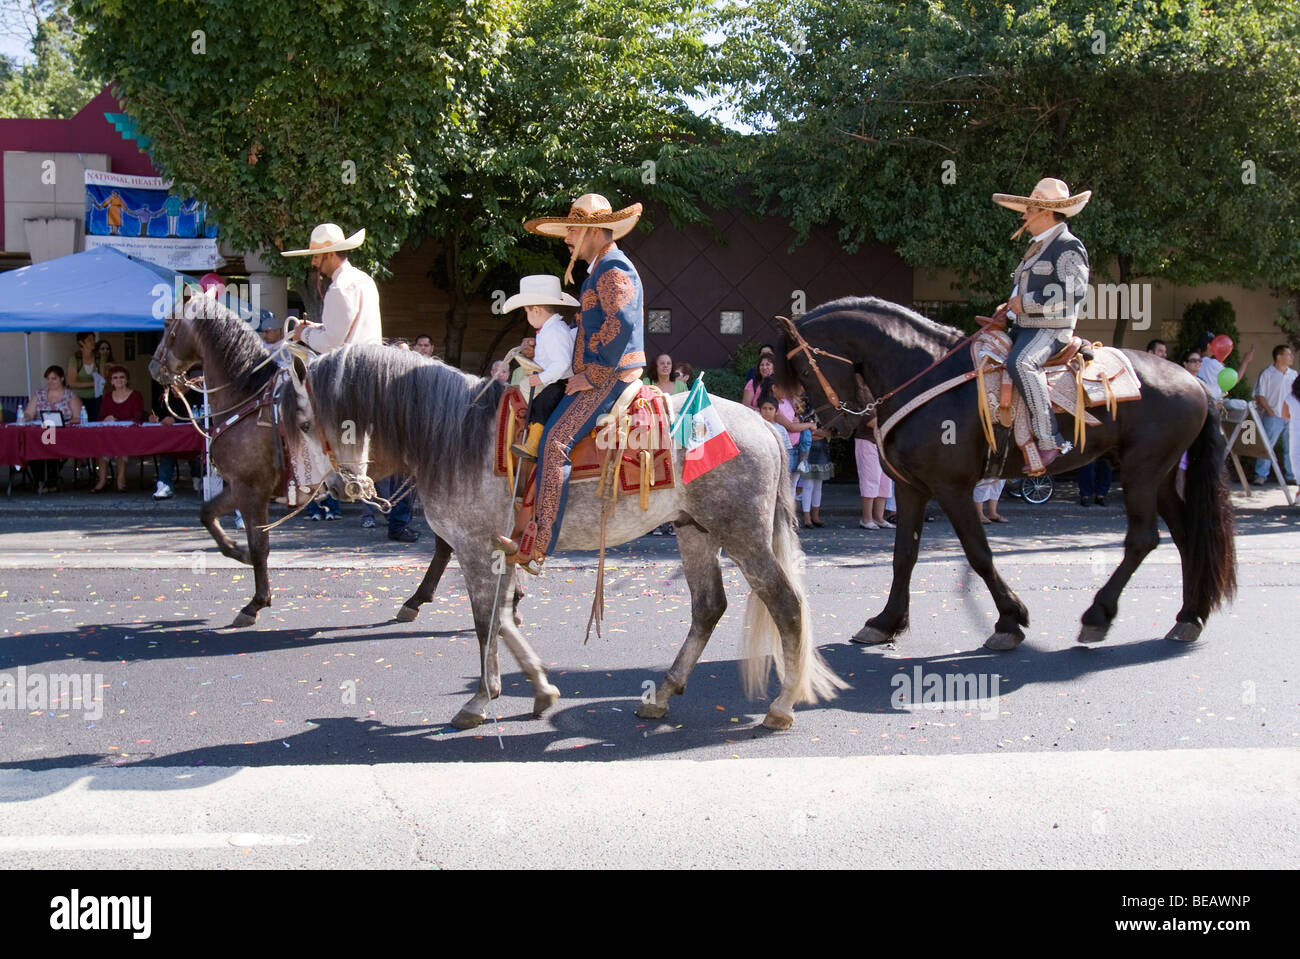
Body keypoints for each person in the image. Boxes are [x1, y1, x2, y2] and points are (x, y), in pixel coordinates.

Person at [497, 193, 646, 569]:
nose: (567, 238)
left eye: (573, 230)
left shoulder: (613, 269)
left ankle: (537, 545)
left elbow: (620, 324)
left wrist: (591, 374)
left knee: (555, 441)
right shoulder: (601, 268)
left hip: (609, 378)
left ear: (594, 232)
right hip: (600, 374)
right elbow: (599, 325)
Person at [993, 177, 1092, 471]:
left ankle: (1050, 440)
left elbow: (1075, 291)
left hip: (1051, 329)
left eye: (1029, 209)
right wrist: (1008, 308)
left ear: (1046, 213)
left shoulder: (1067, 245)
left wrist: (1027, 303)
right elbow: (1021, 292)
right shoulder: (1038, 247)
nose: (1023, 215)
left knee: (1022, 363)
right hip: (1024, 326)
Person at [503, 275, 579, 461]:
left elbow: (561, 364)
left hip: (556, 383)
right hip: (553, 380)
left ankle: (534, 444)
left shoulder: (553, 332)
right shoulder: (551, 330)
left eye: (527, 312)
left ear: (536, 310)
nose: (527, 317)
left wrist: (541, 378)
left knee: (541, 404)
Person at [282, 223, 383, 353]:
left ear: (331, 255)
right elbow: (351, 329)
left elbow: (330, 344)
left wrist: (303, 333)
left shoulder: (339, 288)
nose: (313, 262)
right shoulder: (365, 279)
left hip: (348, 368)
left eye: (316, 256)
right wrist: (317, 328)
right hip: (372, 364)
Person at [23, 366, 84, 492]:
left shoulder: (70, 396)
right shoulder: (39, 395)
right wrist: (25, 418)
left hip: (63, 433)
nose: (50, 381)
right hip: (41, 432)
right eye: (48, 379)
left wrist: (63, 422)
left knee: (53, 446)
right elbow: (29, 413)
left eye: (54, 378)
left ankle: (49, 480)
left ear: (62, 379)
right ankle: (42, 480)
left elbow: (78, 417)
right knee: (31, 446)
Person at [90, 366, 145, 493]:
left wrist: (117, 419)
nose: (119, 380)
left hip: (129, 434)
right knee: (101, 444)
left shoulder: (136, 395)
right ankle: (102, 480)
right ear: (111, 381)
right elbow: (100, 418)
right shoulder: (108, 397)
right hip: (110, 434)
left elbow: (138, 417)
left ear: (127, 380)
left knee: (120, 443)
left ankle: (121, 479)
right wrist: (106, 419)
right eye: (115, 378)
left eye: (122, 377)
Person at [1252, 344, 1297, 485]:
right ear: (1279, 356)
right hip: (1273, 417)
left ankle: (1292, 475)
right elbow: (1260, 395)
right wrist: (1270, 411)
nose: (1292, 357)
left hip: (1291, 418)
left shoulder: (1293, 374)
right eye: (1288, 354)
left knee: (1291, 448)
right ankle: (1260, 475)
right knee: (1267, 447)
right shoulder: (1267, 373)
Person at [1195, 330, 1254, 406]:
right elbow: (1235, 379)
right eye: (1215, 343)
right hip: (1210, 406)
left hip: (1199, 402)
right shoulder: (1212, 363)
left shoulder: (1195, 361)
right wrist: (1245, 361)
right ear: (1209, 346)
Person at [856, 427, 894, 530]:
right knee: (870, 479)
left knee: (884, 481)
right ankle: (866, 519)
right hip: (867, 441)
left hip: (882, 442)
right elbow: (870, 421)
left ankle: (878, 518)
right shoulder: (867, 410)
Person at [66, 331, 101, 421]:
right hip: (78, 398)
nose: (93, 342)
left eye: (94, 339)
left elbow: (102, 379)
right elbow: (71, 382)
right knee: (81, 422)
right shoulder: (75, 359)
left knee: (96, 423)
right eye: (89, 340)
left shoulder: (99, 358)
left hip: (96, 398)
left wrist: (96, 383)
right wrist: (93, 384)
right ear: (81, 342)